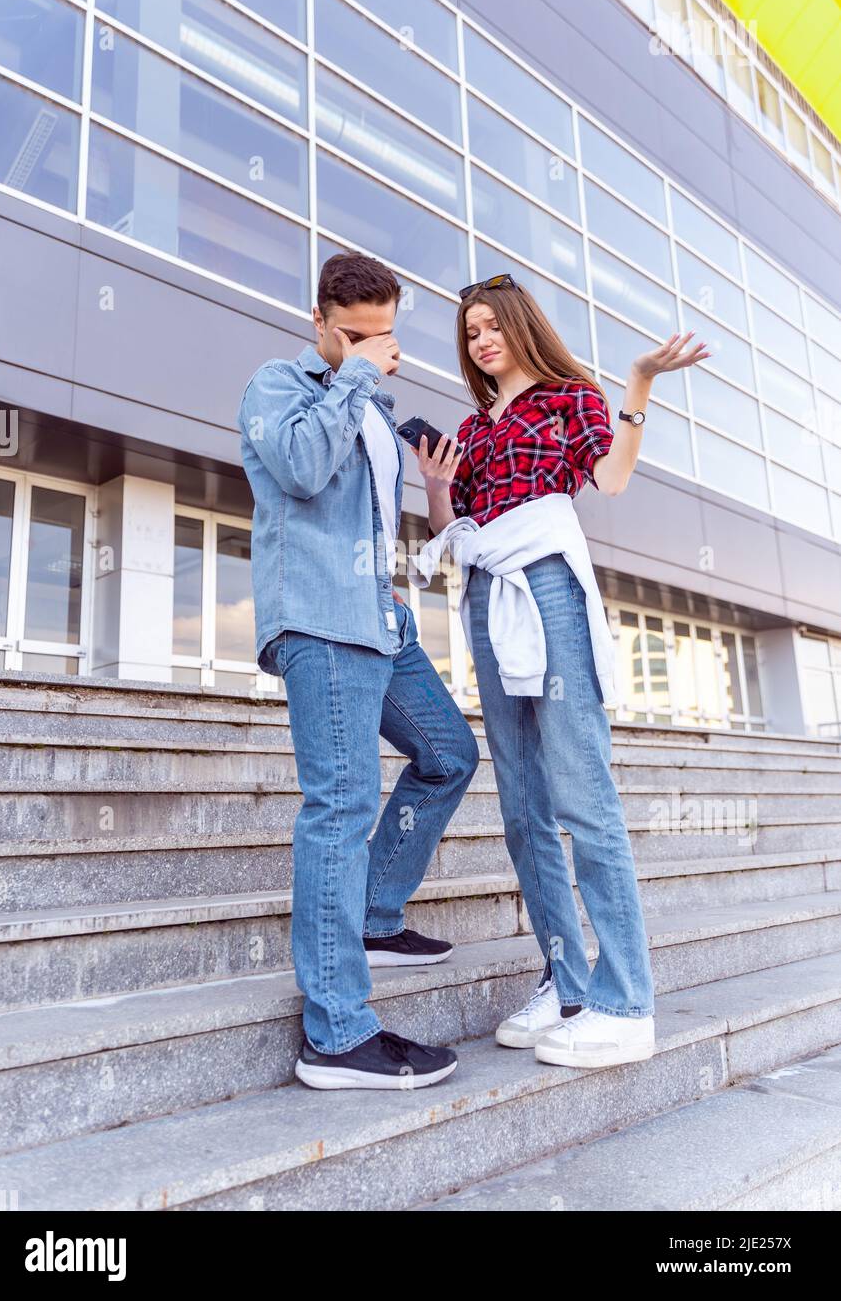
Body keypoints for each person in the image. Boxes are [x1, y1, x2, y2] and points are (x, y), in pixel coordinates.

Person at [408, 272, 710, 1069]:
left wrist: (638, 382)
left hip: (543, 582)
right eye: (470, 331)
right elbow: (458, 525)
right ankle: (568, 984)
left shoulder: (569, 396)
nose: (480, 340)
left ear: (519, 325)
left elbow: (609, 478)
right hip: (486, 594)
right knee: (523, 808)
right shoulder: (474, 428)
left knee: (581, 790)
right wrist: (437, 488)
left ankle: (625, 1002)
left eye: (490, 326)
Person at [238, 251, 479, 1091]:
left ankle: (373, 915)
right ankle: (336, 1033)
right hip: (318, 620)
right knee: (339, 805)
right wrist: (352, 384)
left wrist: (426, 484)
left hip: (379, 618)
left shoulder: (370, 405)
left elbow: (365, 517)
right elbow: (301, 471)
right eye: (355, 337)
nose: (375, 350)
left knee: (449, 752)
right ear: (318, 322)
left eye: (386, 336)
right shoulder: (280, 385)